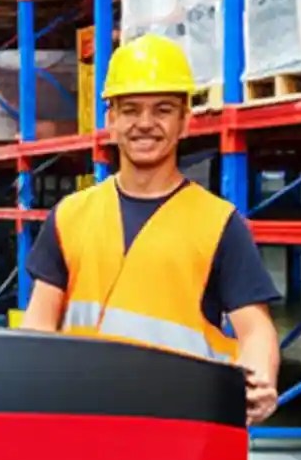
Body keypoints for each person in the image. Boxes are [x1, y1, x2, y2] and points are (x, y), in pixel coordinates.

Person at [20, 34, 281, 426]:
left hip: (180, 425)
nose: (145, 123)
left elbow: (255, 328)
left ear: (185, 122)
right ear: (111, 121)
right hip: (81, 420)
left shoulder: (219, 223)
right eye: (130, 110)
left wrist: (259, 376)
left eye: (162, 110)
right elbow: (38, 324)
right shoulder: (70, 215)